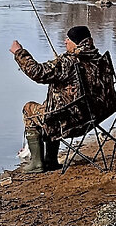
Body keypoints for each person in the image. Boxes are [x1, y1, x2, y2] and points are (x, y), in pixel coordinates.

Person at [10, 26, 105, 173]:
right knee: (51, 107)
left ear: (76, 42)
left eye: (68, 39)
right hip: (96, 114)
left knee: (29, 109)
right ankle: (50, 160)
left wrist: (19, 52)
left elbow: (38, 72)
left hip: (72, 121)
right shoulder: (97, 58)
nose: (65, 41)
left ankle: (37, 163)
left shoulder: (69, 62)